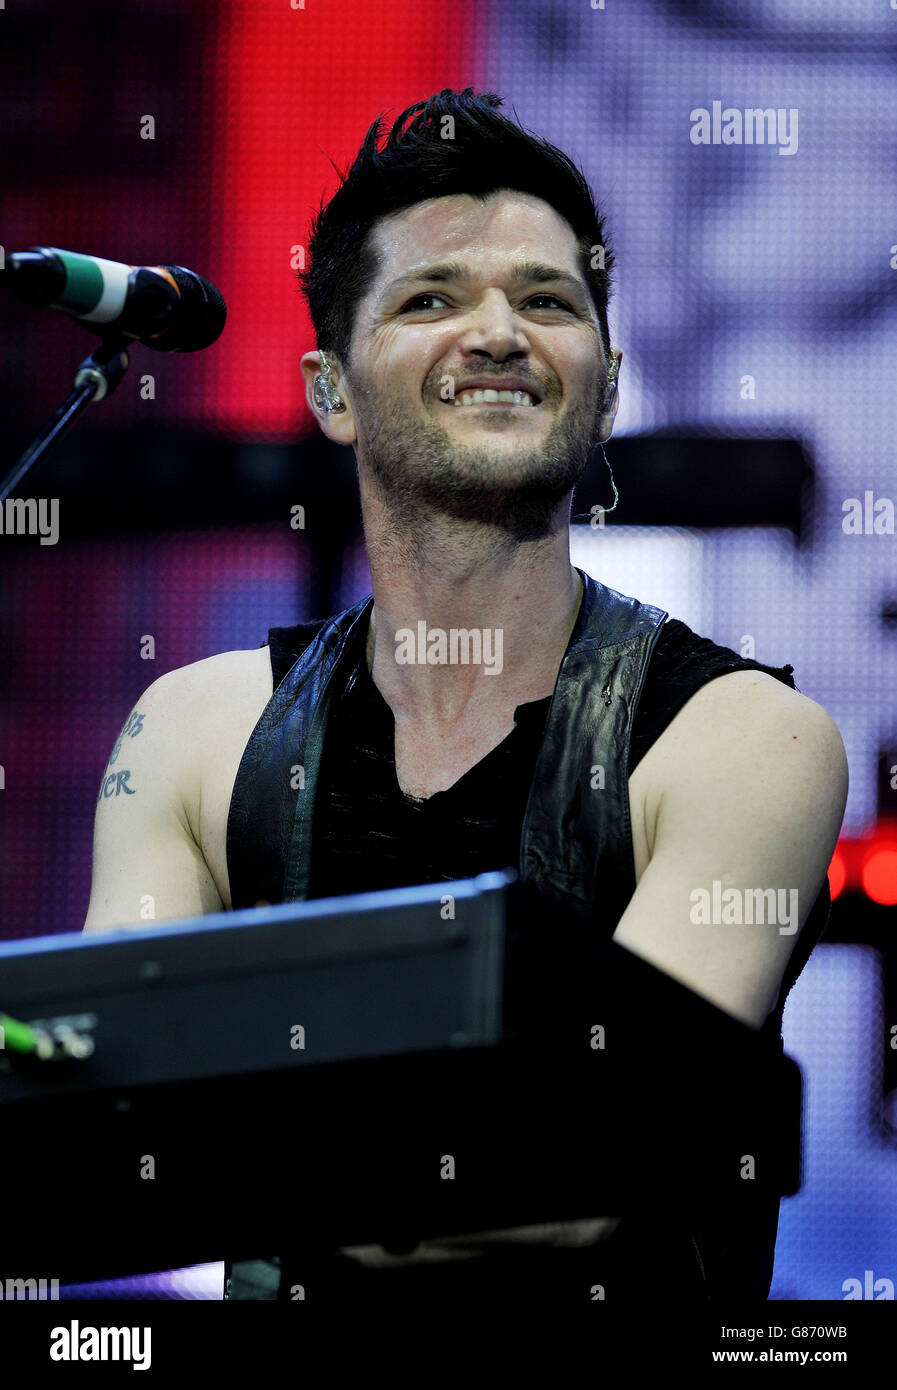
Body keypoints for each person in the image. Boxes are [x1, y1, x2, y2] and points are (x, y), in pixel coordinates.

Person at [83, 88, 848, 1304]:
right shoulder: (193, 728)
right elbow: (106, 1137)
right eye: (432, 298)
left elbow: (574, 1172)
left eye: (548, 300)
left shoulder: (743, 737)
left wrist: (224, 1122)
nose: (498, 332)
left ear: (603, 385)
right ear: (330, 393)